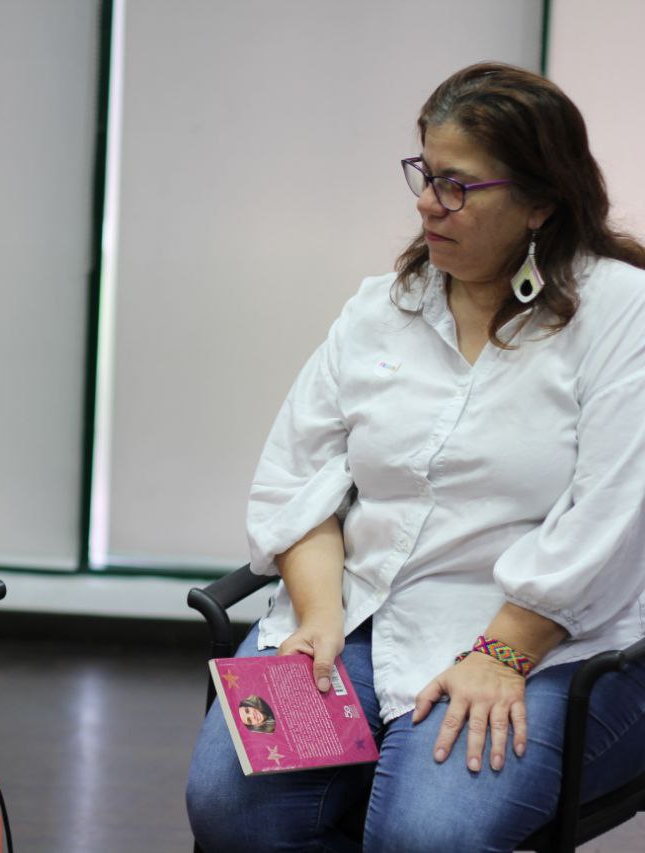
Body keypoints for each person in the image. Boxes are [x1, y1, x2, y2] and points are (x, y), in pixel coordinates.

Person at [186, 62, 645, 852]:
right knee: (234, 810)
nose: (429, 202)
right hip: (354, 615)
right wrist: (318, 619)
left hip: (539, 642)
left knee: (426, 835)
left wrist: (502, 652)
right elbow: (299, 478)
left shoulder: (620, 311)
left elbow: (611, 513)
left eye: (458, 186)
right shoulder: (380, 308)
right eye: (426, 176)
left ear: (540, 200)